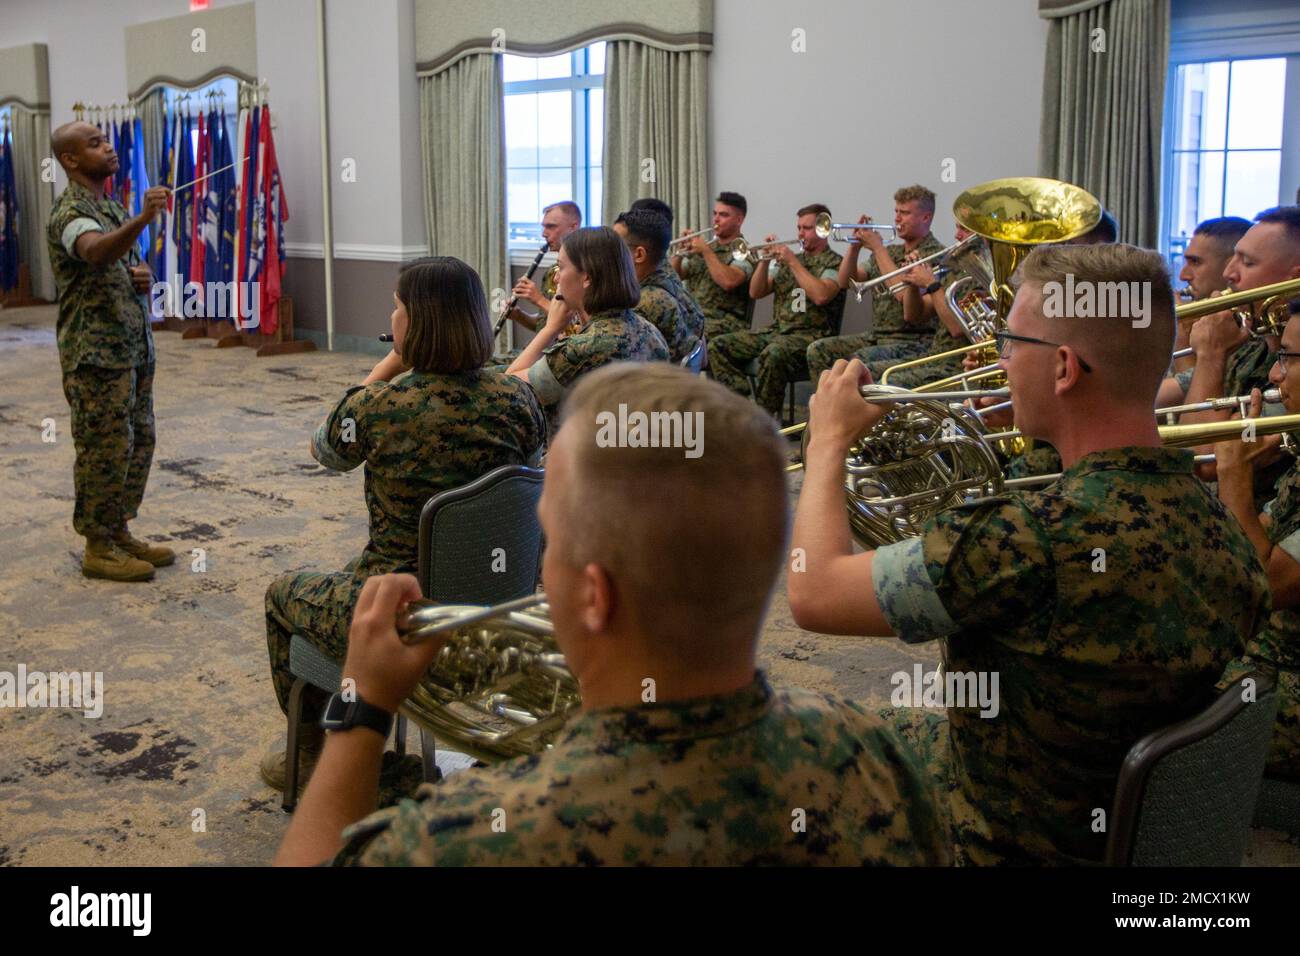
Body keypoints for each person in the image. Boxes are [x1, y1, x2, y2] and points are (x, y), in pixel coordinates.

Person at [273, 363, 951, 866]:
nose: (540, 568)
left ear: (595, 596)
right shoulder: (875, 752)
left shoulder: (471, 834)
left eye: (550, 542)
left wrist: (362, 714)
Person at [788, 243, 1269, 865]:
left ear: (1063, 368)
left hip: (996, 838)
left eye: (1012, 345)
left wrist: (826, 442)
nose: (1001, 361)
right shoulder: (1224, 520)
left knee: (784, 745)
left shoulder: (1024, 540)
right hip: (1099, 809)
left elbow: (813, 593)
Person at [261, 257, 547, 793]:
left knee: (282, 595)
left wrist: (388, 365)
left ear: (414, 321)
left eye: (397, 308)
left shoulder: (381, 406)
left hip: (402, 609)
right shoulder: (518, 398)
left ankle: (314, 754)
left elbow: (324, 448)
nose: (392, 316)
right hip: (497, 603)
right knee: (349, 569)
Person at [46, 121, 174, 582]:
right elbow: (96, 252)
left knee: (137, 440)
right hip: (95, 355)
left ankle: (118, 530)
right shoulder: (70, 211)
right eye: (95, 144)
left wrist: (143, 274)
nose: (109, 147)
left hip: (131, 347)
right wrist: (142, 219)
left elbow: (123, 259)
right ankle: (98, 546)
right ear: (71, 160)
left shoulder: (108, 205)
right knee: (103, 446)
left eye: (106, 139)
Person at [1214, 319, 1300, 783]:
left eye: (1288, 358)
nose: (1273, 375)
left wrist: (1234, 474)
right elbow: (1246, 541)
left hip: (1288, 682)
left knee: (1147, 688)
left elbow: (1265, 584)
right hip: (1266, 659)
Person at [507, 226, 668, 417]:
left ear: (587, 278)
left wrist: (550, 329)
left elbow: (509, 389)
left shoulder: (583, 348)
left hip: (582, 443)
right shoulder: (648, 329)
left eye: (561, 267)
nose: (556, 277)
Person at [709, 203, 845, 417]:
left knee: (773, 353)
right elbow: (756, 292)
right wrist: (764, 261)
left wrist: (792, 262)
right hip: (778, 331)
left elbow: (821, 295)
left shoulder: (835, 263)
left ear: (823, 229)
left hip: (811, 336)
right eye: (799, 227)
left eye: (807, 228)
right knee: (719, 346)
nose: (801, 233)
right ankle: (738, 410)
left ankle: (764, 419)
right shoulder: (786, 263)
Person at [806, 185, 946, 382]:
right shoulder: (893, 253)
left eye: (905, 213)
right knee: (818, 350)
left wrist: (878, 248)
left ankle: (852, 411)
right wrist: (854, 247)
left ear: (926, 217)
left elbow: (902, 295)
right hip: (877, 335)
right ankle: (826, 408)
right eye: (896, 212)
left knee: (857, 363)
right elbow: (846, 281)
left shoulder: (936, 254)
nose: (897, 218)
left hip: (914, 341)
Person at [613, 208, 703, 363]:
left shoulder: (643, 304)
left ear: (639, 255)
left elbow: (611, 359)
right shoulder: (674, 286)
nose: (606, 252)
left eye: (614, 246)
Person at [1170, 217, 1252, 376]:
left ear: (1231, 265)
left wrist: (1180, 338)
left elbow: (1195, 398)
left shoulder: (1248, 334)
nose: (1183, 275)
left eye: (1195, 262)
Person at [672, 191, 754, 340]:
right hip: (693, 315)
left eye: (723, 215)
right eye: (715, 213)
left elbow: (728, 282)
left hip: (724, 323)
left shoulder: (743, 251)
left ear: (739, 220)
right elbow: (673, 277)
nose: (716, 219)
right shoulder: (707, 247)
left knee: (685, 337)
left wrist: (705, 251)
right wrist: (679, 252)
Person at [504, 200, 582, 333]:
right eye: (544, 226)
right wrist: (519, 316)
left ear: (573, 227)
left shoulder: (584, 270)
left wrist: (539, 299)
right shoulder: (552, 272)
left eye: (551, 226)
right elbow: (546, 325)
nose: (544, 233)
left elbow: (578, 324)